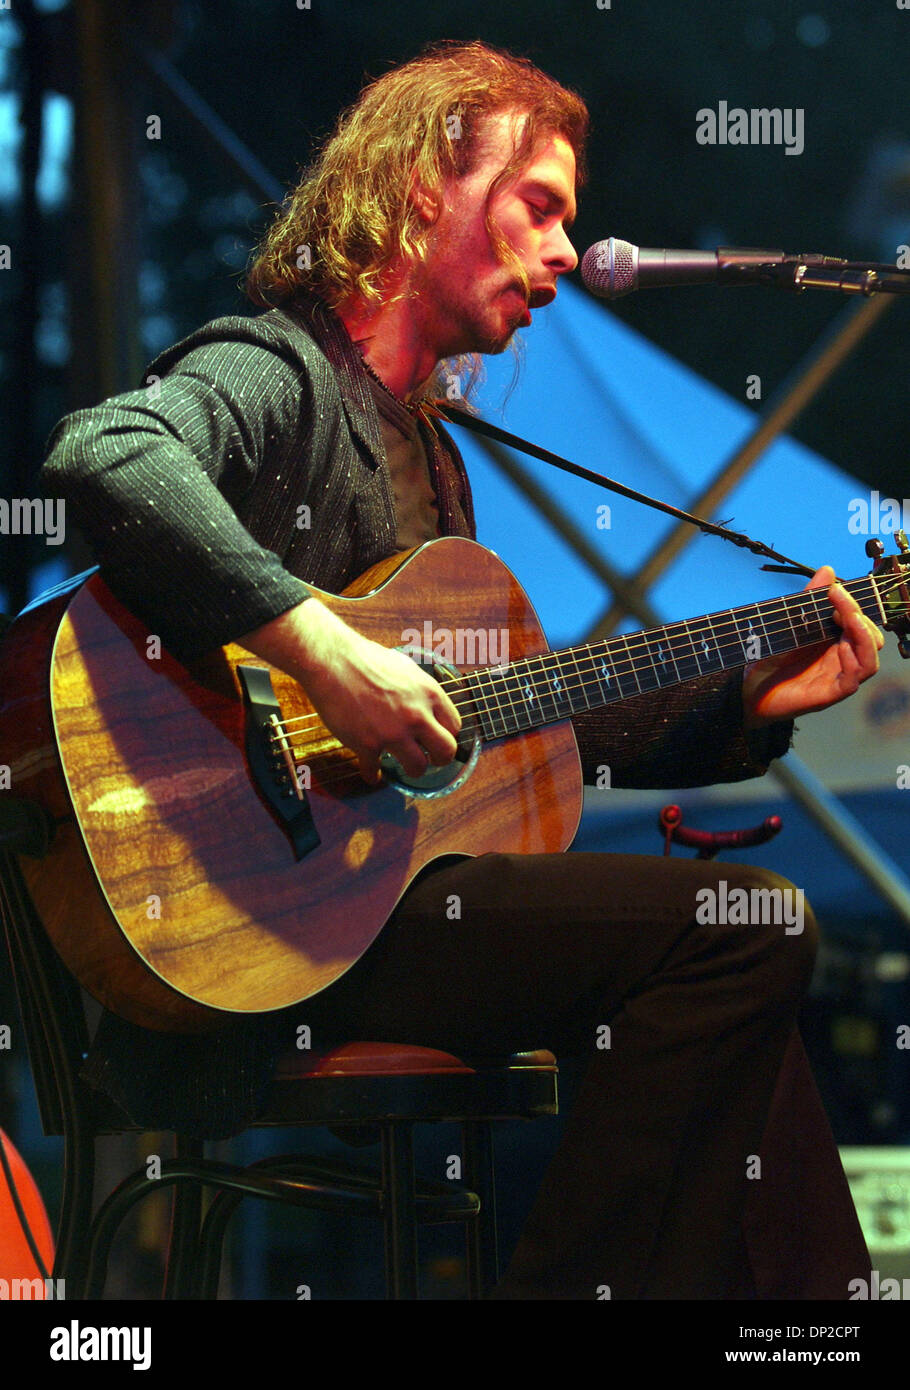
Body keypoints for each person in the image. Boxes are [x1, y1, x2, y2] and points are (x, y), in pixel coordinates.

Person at [41, 40, 881, 1299]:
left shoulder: (432, 458)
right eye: (537, 207)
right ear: (421, 188)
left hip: (380, 902)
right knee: (733, 931)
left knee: (747, 974)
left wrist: (744, 703)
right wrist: (316, 647)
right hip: (258, 925)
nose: (562, 255)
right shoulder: (276, 375)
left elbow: (515, 728)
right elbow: (107, 452)